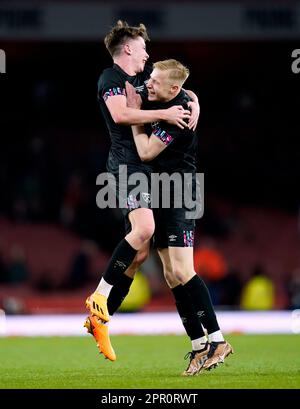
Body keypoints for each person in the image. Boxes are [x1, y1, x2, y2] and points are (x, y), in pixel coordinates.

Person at [84, 21, 199, 362]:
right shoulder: (111, 79)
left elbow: (182, 89)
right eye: (143, 47)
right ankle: (99, 296)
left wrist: (195, 101)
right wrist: (165, 112)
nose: (148, 53)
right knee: (145, 230)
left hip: (148, 171)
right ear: (129, 49)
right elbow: (120, 115)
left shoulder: (143, 77)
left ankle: (99, 320)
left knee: (139, 255)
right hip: (125, 166)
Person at [125, 59, 233, 374]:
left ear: (173, 89)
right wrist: (195, 98)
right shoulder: (175, 97)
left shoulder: (179, 115)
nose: (149, 85)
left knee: (184, 271)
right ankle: (199, 346)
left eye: (155, 82)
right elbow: (185, 91)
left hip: (179, 193)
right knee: (171, 275)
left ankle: (218, 340)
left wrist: (134, 118)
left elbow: (145, 151)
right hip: (160, 192)